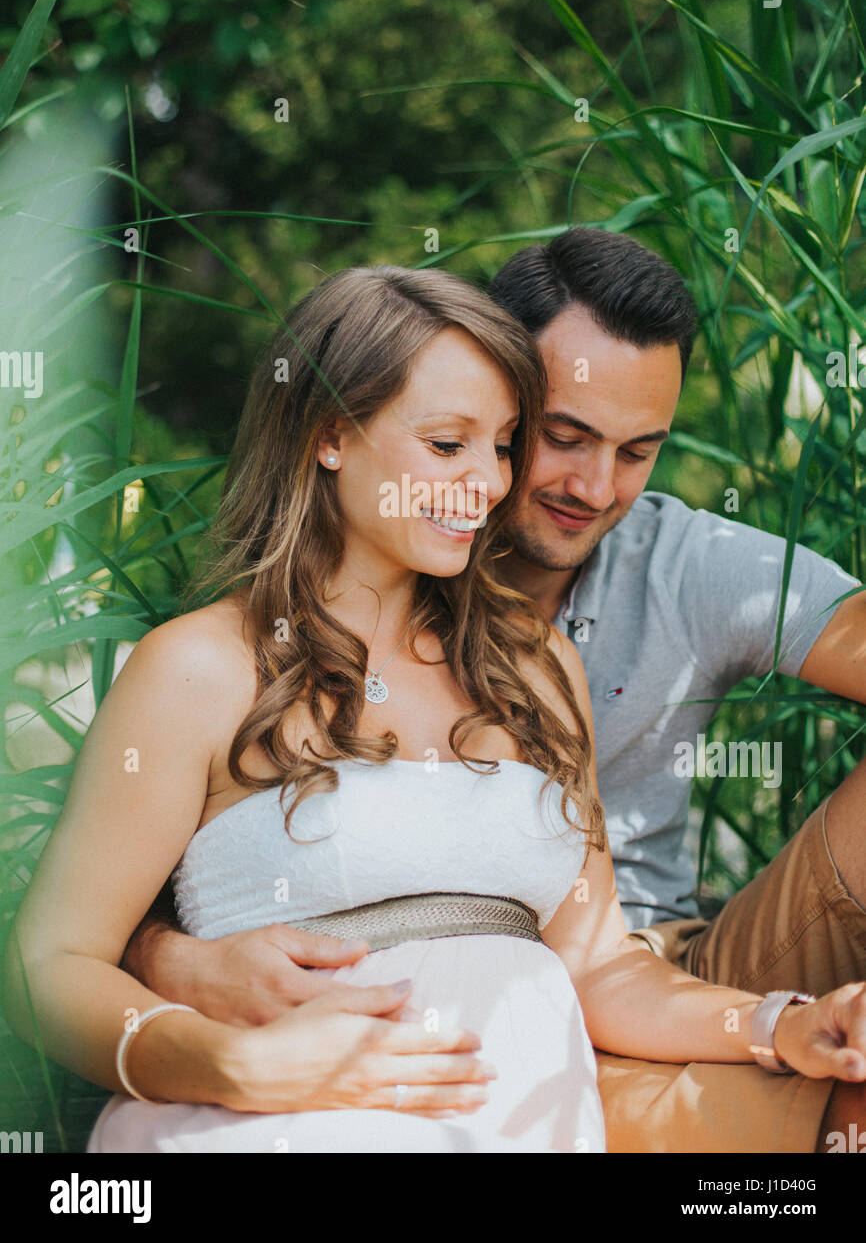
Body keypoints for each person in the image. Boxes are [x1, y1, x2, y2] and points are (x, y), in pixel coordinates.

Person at [5, 264, 865, 1153]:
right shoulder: (199, 667)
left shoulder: (533, 667)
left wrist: (778, 1023)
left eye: (501, 446)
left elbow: (601, 967)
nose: (488, 483)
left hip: (516, 1124)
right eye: (448, 445)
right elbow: (47, 968)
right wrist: (223, 1061)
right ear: (331, 435)